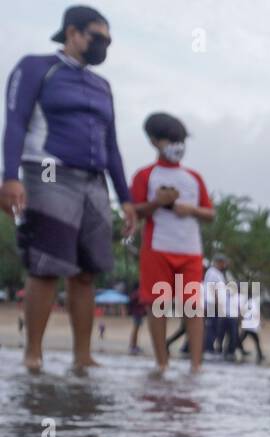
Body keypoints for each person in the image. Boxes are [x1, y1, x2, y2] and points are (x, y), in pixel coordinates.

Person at [2, 5, 137, 373]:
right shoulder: (36, 67)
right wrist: (9, 176)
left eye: (108, 40)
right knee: (46, 264)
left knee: (87, 270)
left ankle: (82, 356)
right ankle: (34, 353)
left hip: (93, 179)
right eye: (97, 37)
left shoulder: (102, 86)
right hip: (48, 169)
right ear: (73, 33)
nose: (103, 45)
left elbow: (112, 146)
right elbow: (14, 121)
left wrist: (126, 199)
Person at [129, 110, 215, 373]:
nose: (177, 147)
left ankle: (196, 366)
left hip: (190, 251)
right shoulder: (146, 175)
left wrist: (191, 210)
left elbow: (210, 213)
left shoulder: (194, 177)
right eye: (170, 140)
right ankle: (162, 363)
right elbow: (134, 210)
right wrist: (158, 202)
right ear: (154, 141)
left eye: (180, 141)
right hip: (157, 248)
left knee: (193, 307)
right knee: (158, 306)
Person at [203, 251, 237, 360]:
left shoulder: (218, 273)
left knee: (215, 327)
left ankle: (210, 349)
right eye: (224, 262)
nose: (225, 264)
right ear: (219, 262)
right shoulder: (213, 272)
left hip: (216, 304)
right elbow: (214, 290)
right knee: (212, 328)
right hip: (213, 304)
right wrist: (219, 305)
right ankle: (208, 350)